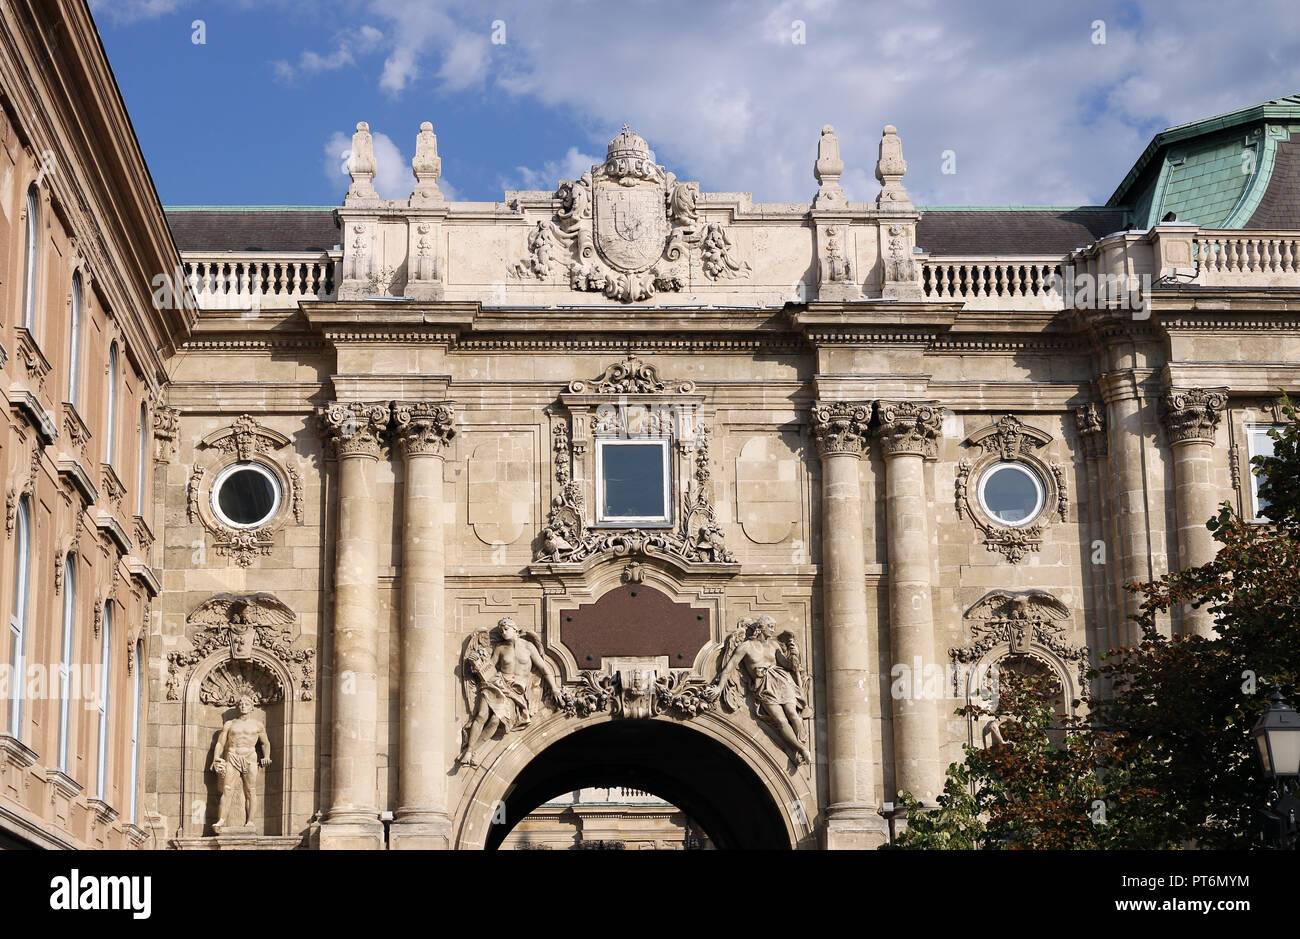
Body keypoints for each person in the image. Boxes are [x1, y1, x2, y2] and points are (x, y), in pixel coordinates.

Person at [458, 618, 567, 767]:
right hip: (496, 684)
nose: (503, 632)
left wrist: (554, 688)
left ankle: (473, 749)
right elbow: (488, 668)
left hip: (515, 691)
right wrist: (476, 662)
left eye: (506, 629)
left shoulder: (529, 647)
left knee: (496, 720)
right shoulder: (500, 648)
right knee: (481, 715)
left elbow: (543, 668)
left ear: (515, 629)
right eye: (501, 630)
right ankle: (469, 751)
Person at [704, 615, 811, 764]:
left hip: (782, 681)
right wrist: (719, 687)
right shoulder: (746, 647)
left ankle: (799, 747)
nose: (773, 630)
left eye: (774, 627)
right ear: (761, 627)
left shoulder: (774, 645)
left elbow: (787, 665)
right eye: (770, 627)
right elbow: (729, 668)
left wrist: (794, 655)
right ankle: (801, 748)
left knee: (793, 714)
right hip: (765, 687)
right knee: (781, 720)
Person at [211, 695, 272, 832]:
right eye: (241, 704)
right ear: (238, 707)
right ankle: (221, 820)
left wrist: (267, 756)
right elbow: (220, 742)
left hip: (250, 757)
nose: (243, 706)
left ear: (251, 707)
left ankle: (250, 821)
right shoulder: (229, 724)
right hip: (232, 756)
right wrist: (216, 758)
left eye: (246, 704)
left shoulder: (257, 725)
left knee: (250, 790)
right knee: (227, 789)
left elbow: (265, 743)